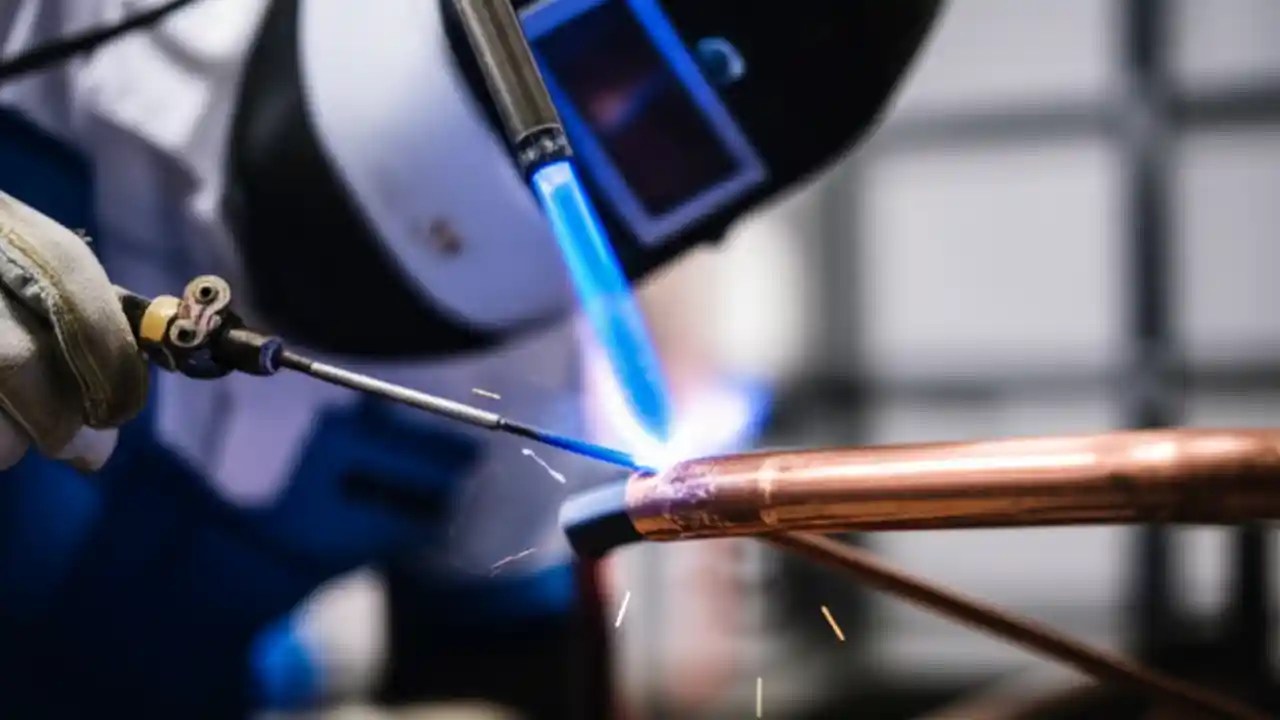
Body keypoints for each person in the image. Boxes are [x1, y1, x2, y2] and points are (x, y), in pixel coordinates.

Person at [0, 0, 940, 717]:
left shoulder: (522, 395)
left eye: (654, 145)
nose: (607, 120)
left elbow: (508, 663)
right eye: (596, 72)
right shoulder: (68, 32)